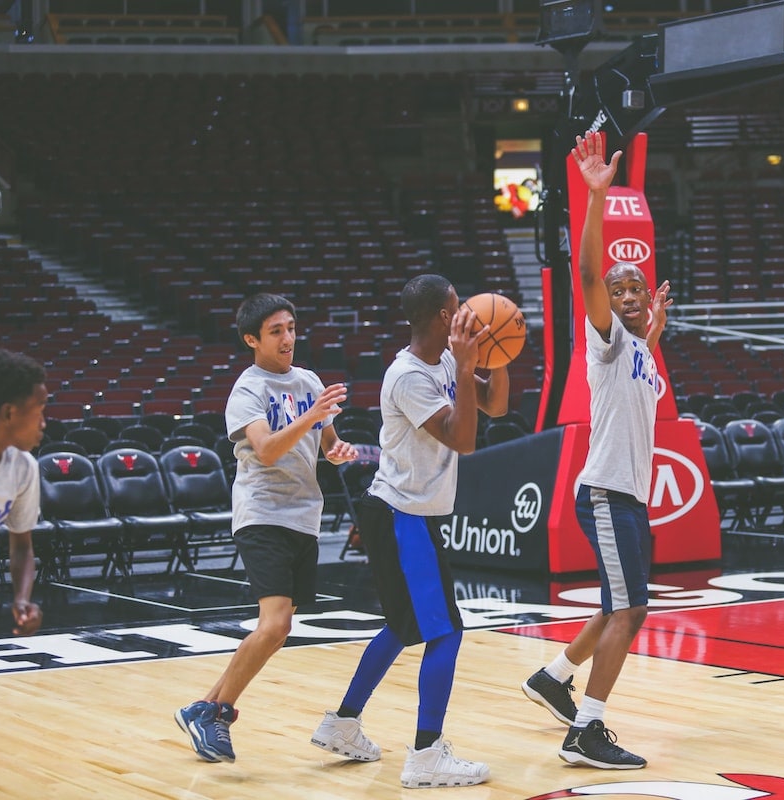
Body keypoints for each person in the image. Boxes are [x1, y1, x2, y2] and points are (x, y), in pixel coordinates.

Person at [310, 274, 507, 789]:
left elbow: (495, 405)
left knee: (402, 626)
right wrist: (466, 365)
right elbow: (464, 439)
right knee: (446, 632)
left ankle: (342, 722)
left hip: (409, 513)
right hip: (402, 515)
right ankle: (425, 754)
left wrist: (497, 355)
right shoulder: (408, 376)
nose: (465, 313)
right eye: (458, 306)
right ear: (443, 316)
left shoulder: (444, 361)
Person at [520, 131, 671, 770]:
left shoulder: (641, 352)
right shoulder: (605, 340)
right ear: (606, 302)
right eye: (620, 290)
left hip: (628, 495)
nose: (629, 295)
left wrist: (654, 335)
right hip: (607, 491)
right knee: (631, 610)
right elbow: (586, 273)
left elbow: (641, 378)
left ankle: (553, 677)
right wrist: (596, 198)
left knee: (617, 604)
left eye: (638, 287)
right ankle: (586, 730)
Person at [175, 293, 358, 764]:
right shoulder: (248, 390)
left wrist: (337, 450)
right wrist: (311, 415)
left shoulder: (309, 380)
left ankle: (204, 709)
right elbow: (268, 450)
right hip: (262, 513)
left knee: (279, 630)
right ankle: (219, 713)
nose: (288, 338)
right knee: (274, 623)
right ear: (252, 339)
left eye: (291, 328)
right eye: (276, 331)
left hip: (304, 516)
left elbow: (326, 442)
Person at [0, 349, 46, 637]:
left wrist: (22, 599)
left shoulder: (23, 467)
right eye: (39, 409)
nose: (43, 423)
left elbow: (22, 545)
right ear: (9, 413)